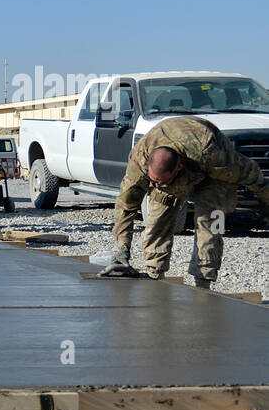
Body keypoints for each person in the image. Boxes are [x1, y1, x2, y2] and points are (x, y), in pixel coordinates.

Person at [111, 116, 269, 287]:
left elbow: (250, 172)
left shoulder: (215, 155)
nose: (156, 185)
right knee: (157, 220)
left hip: (211, 168)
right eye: (153, 181)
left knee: (212, 222)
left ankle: (203, 281)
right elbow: (126, 206)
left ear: (178, 168)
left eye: (160, 181)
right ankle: (154, 274)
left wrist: (265, 200)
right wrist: (122, 249)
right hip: (180, 159)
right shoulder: (140, 158)